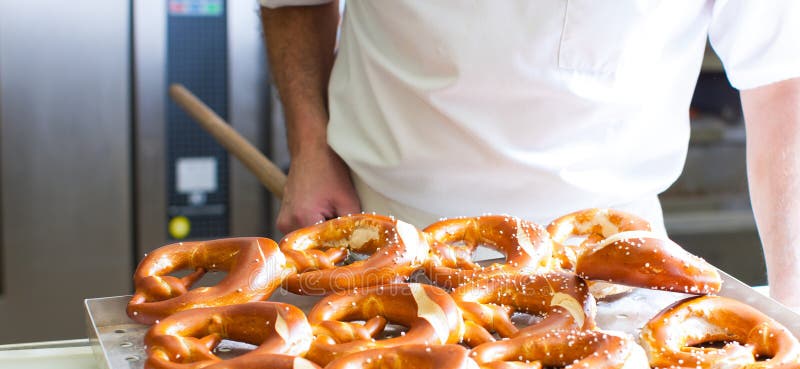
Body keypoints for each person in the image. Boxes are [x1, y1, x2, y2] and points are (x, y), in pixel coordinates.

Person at [259, 1, 800, 310]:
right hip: (375, 246)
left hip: (616, 273)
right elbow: (294, 1)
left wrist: (792, 299)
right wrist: (309, 148)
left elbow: (782, 82)